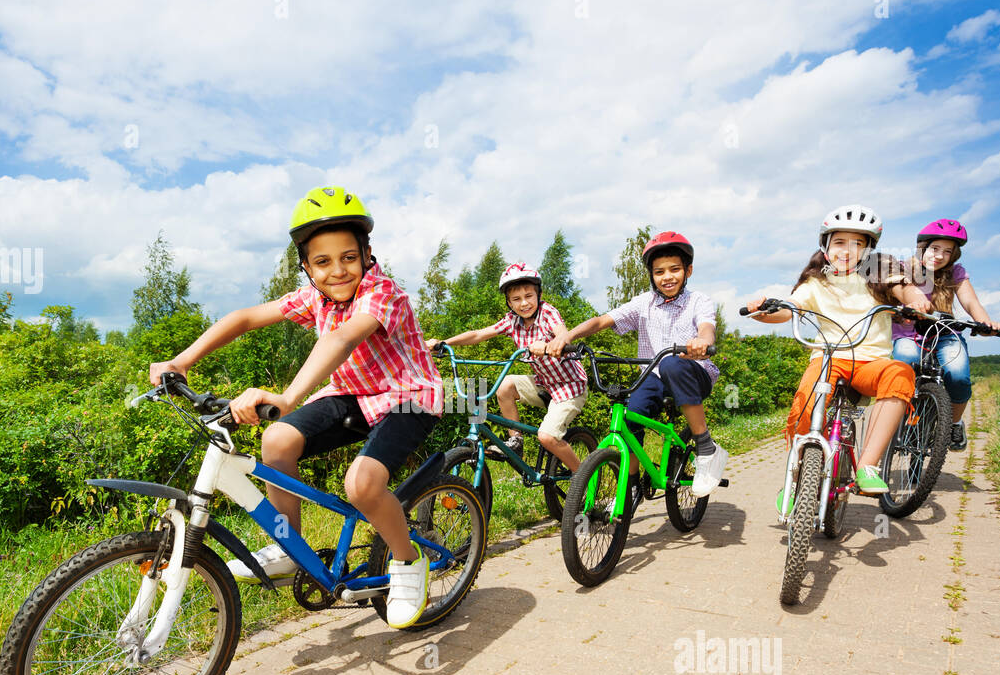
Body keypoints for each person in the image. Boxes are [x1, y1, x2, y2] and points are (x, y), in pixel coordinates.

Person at [148, 186, 443, 628]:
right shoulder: (313, 298)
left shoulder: (384, 294)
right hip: (354, 395)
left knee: (361, 486)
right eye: (322, 262)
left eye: (348, 257)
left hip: (409, 396)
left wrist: (287, 398)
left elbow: (341, 339)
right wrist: (182, 360)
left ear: (366, 255)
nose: (338, 271)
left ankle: (407, 559)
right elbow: (245, 318)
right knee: (277, 438)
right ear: (306, 267)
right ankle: (289, 545)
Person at [745, 204, 916, 500]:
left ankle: (868, 467)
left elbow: (907, 291)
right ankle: (796, 477)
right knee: (805, 405)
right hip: (829, 359)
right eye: (839, 242)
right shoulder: (815, 283)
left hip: (871, 363)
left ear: (868, 250)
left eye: (858, 244)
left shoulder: (880, 275)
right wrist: (763, 312)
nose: (847, 250)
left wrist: (918, 302)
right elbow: (790, 310)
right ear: (825, 247)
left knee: (901, 373)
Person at [546, 231, 727, 499]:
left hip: (692, 371)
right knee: (630, 415)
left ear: (688, 270)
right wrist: (567, 336)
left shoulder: (698, 301)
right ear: (652, 275)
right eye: (659, 272)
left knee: (672, 365)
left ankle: (706, 447)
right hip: (652, 375)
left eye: (674, 269)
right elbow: (601, 321)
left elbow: (707, 328)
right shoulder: (644, 303)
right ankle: (630, 485)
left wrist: (702, 341)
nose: (667, 277)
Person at [426, 262, 588, 472]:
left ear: (538, 294)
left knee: (547, 437)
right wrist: (444, 343)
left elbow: (564, 335)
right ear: (509, 303)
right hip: (544, 383)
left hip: (569, 387)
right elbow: (479, 334)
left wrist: (550, 345)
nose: (524, 304)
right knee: (504, 386)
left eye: (529, 296)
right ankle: (516, 441)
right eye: (516, 299)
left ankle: (584, 476)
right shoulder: (512, 321)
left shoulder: (547, 313)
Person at [891, 219, 1000, 451]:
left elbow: (970, 301)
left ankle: (955, 423)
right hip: (908, 334)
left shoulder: (955, 273)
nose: (939, 255)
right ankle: (897, 418)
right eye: (935, 248)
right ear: (922, 247)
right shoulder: (901, 268)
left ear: (954, 255)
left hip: (943, 333)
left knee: (958, 375)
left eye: (947, 251)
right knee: (905, 361)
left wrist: (984, 321)